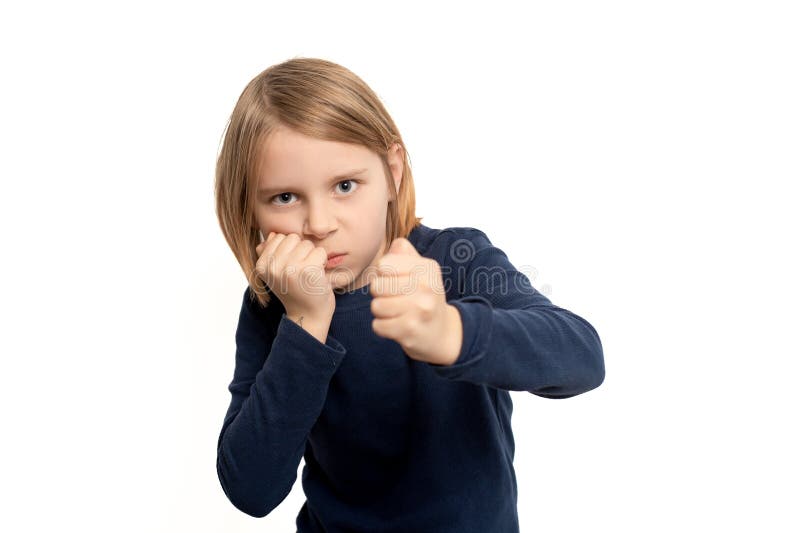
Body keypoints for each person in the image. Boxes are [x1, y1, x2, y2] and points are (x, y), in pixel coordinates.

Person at [214, 57, 605, 533]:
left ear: (392, 172)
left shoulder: (454, 260)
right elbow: (251, 490)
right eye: (284, 198)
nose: (319, 224)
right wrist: (305, 322)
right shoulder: (272, 302)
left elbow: (582, 357)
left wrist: (450, 331)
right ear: (249, 208)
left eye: (344, 185)